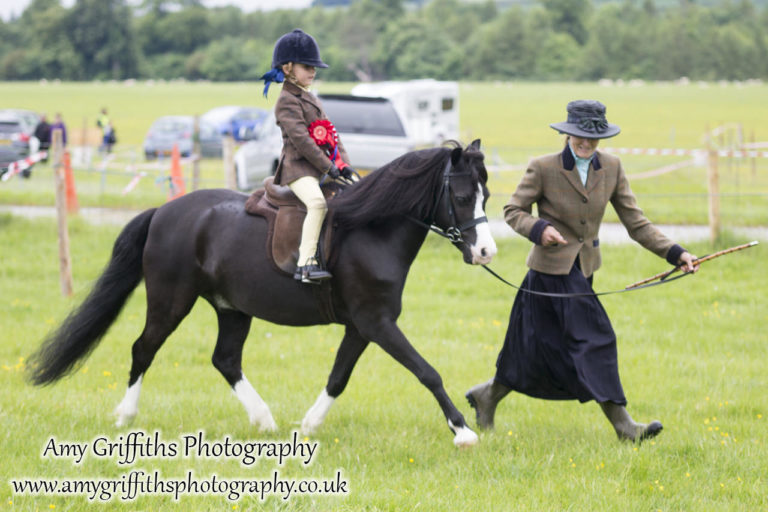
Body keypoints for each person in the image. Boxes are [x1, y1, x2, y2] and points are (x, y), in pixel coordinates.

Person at [465, 100, 698, 443]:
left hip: (584, 271)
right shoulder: (542, 167)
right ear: (567, 134)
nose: (585, 145)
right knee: (596, 340)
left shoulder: (613, 168)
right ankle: (626, 427)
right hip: (547, 274)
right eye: (578, 138)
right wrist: (539, 229)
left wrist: (676, 253)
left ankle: (487, 395)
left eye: (593, 139)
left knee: (535, 348)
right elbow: (513, 210)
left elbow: (636, 221)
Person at [260, 29, 356, 284]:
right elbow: (302, 141)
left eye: (315, 67)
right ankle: (305, 264)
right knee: (317, 203)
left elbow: (331, 135)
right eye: (307, 66)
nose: (313, 72)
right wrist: (328, 167)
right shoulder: (286, 102)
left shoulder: (310, 97)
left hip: (318, 168)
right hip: (298, 170)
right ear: (288, 67)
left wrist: (343, 164)